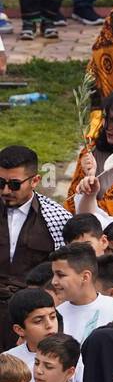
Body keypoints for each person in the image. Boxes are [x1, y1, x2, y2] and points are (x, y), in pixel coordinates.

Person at [0, 146, 71, 350]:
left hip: (33, 319)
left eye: (14, 185)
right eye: (0, 183)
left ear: (35, 181)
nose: (6, 191)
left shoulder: (57, 219)